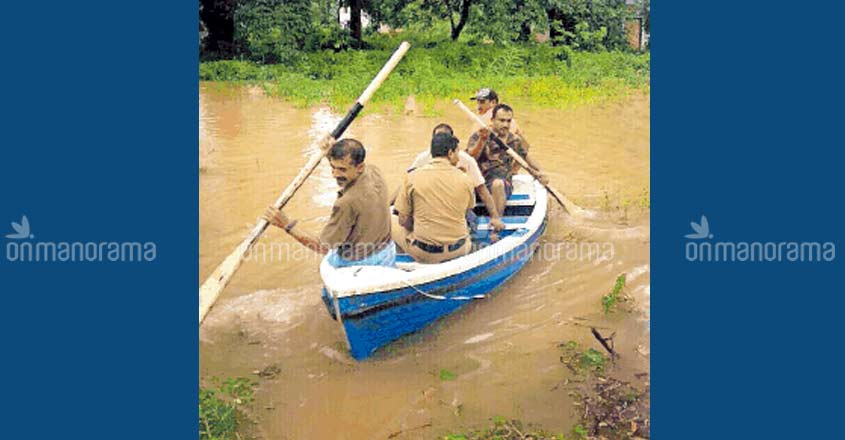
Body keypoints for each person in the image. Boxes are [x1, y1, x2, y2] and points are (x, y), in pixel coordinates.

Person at [263, 136, 395, 267]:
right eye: (333, 167)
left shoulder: (346, 203)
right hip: (387, 252)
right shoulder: (374, 171)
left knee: (329, 256)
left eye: (342, 169)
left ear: (359, 167)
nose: (335, 174)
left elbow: (322, 247)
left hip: (360, 262)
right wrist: (329, 153)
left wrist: (287, 225)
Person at [402, 123, 505, 233]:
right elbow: (406, 185)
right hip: (430, 207)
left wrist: (495, 217)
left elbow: (482, 190)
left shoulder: (466, 161)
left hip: (458, 209)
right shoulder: (422, 159)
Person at [392, 132, 475, 264]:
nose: (459, 158)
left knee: (390, 218)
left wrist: (414, 228)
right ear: (450, 153)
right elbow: (466, 211)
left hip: (426, 254)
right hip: (459, 249)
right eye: (457, 152)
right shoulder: (465, 179)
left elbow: (403, 220)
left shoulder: (412, 177)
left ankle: (399, 257)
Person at [467, 104, 548, 218]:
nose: (505, 125)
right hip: (480, 185)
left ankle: (496, 221)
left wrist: (541, 172)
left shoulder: (514, 140)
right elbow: (469, 159)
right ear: (492, 120)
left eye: (508, 121)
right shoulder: (479, 135)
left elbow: (526, 157)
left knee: (498, 184)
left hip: (503, 185)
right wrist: (482, 140)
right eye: (501, 121)